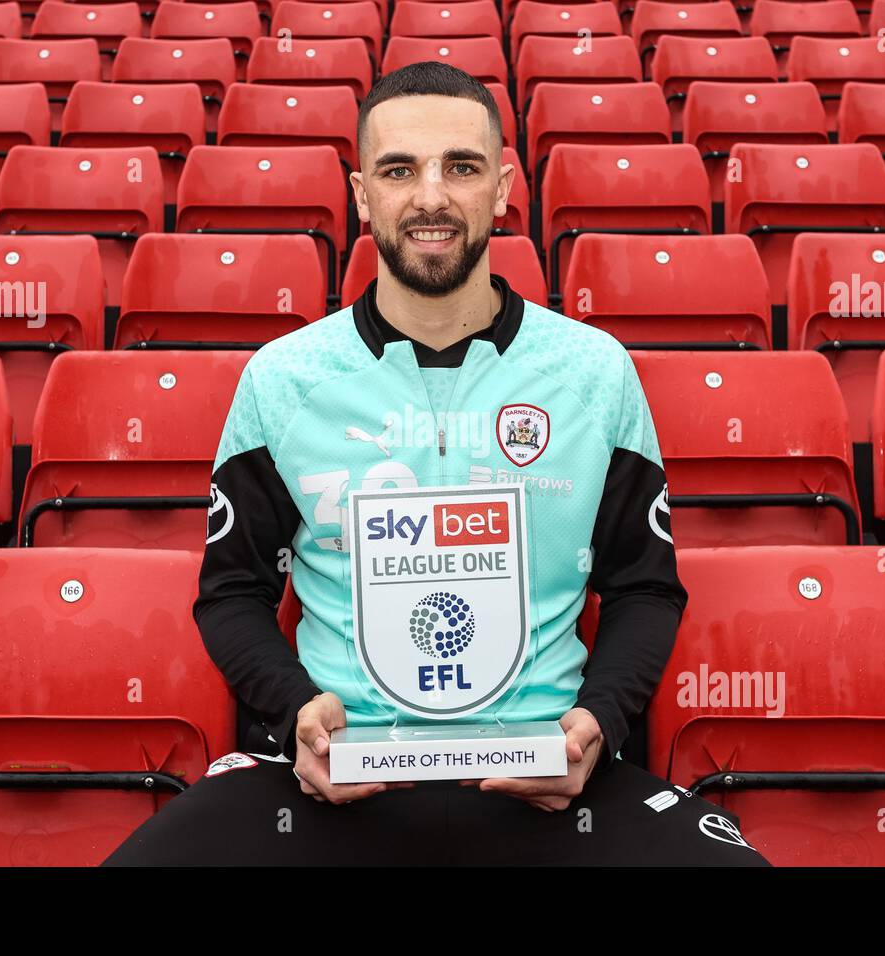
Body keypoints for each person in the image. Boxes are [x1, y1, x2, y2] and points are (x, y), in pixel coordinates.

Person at [104, 61, 768, 866]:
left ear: (502, 187)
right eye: (398, 170)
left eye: (460, 167)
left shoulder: (595, 374)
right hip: (341, 779)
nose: (429, 197)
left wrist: (599, 724)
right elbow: (232, 592)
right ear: (360, 195)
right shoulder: (284, 380)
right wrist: (297, 717)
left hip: (546, 779)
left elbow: (644, 587)